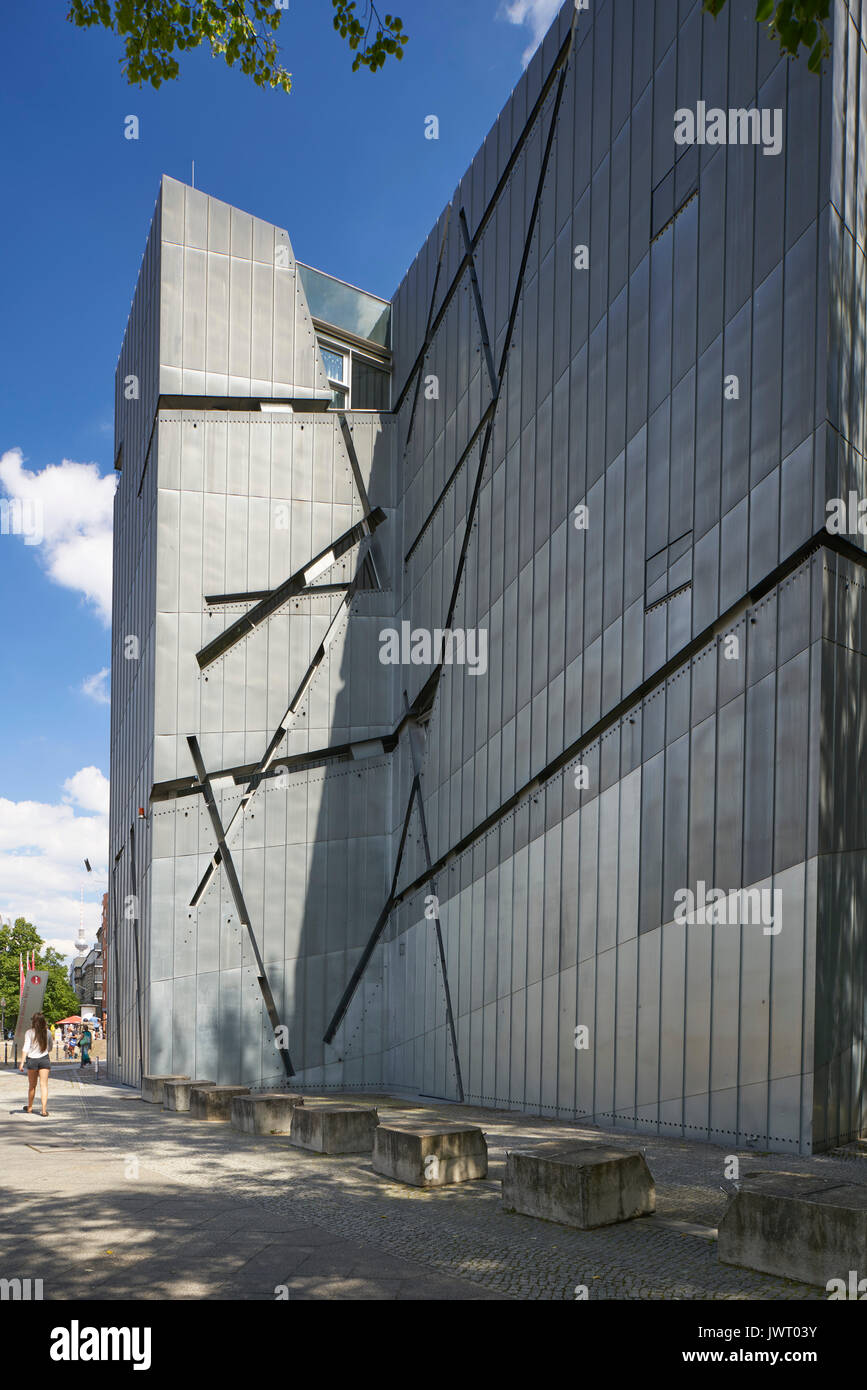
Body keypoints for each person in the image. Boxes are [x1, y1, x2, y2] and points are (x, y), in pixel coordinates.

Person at [18, 1011, 51, 1115]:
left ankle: (30, 1108)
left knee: (32, 1086)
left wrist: (22, 1062)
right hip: (44, 1059)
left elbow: (25, 1048)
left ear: (34, 1022)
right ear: (43, 1022)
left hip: (32, 1060)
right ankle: (44, 1110)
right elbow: (50, 1047)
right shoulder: (48, 1032)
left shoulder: (29, 1032)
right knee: (44, 1085)